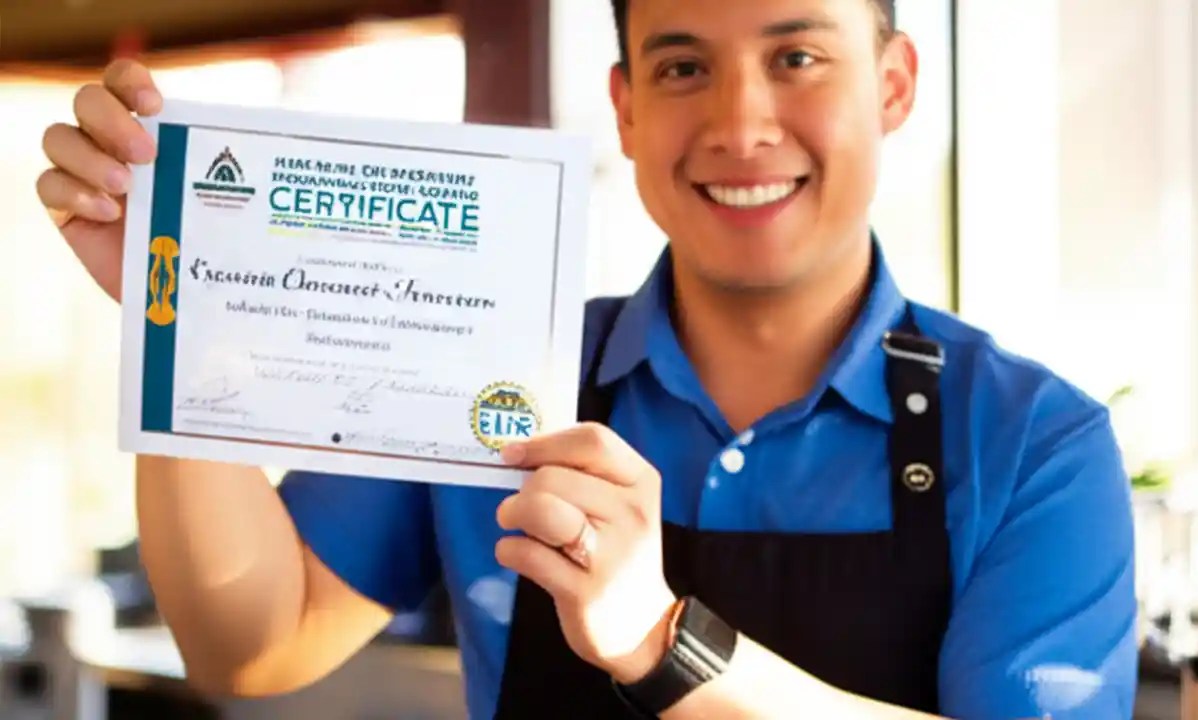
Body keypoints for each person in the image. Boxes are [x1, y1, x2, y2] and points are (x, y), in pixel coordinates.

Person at [36, 0, 1138, 717]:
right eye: (680, 67)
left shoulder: (1034, 442)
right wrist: (171, 307)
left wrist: (660, 640)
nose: (739, 121)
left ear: (891, 85)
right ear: (622, 107)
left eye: (795, 56)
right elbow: (253, 643)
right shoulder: (491, 358)